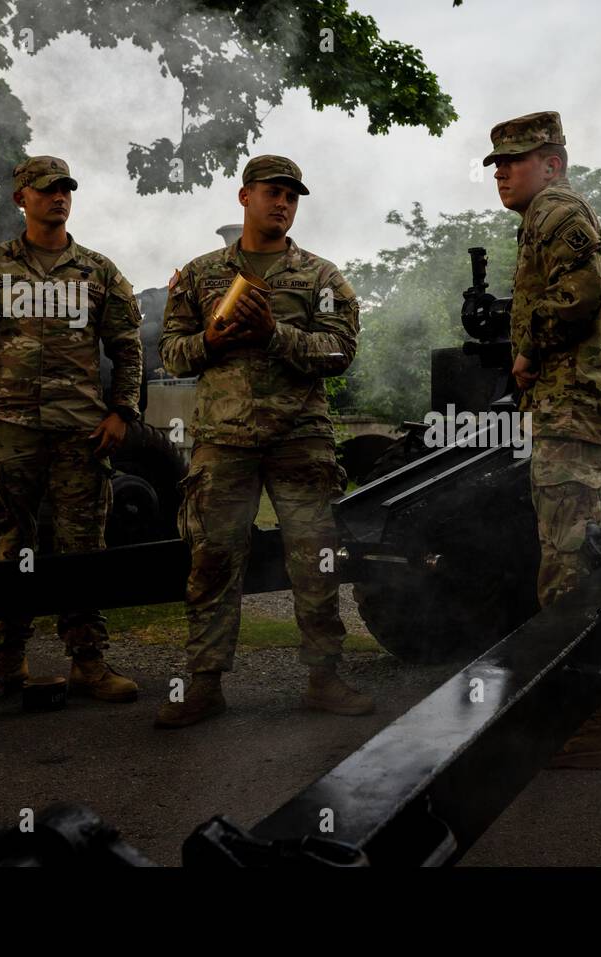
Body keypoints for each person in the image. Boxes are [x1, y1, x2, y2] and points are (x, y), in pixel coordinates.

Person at [156, 154, 368, 728]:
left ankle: (324, 678)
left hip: (300, 439)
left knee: (315, 560)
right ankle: (204, 684)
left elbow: (339, 353)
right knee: (213, 559)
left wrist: (275, 334)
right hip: (222, 439)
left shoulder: (322, 277)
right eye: (272, 192)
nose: (283, 203)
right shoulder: (201, 275)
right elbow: (172, 353)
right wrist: (212, 338)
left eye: (292, 196)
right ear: (243, 196)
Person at [0, 155, 142, 702]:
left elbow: (127, 349)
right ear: (21, 198)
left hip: (81, 429)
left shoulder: (98, 271)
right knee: (12, 543)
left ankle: (89, 661)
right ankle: (8, 660)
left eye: (66, 189)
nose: (60, 197)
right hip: (8, 430)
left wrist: (122, 411)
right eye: (48, 189)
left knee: (82, 545)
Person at [486, 111, 601, 768]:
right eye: (496, 163)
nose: (501, 172)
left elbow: (581, 294)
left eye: (514, 160)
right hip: (597, 418)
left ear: (552, 163)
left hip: (574, 417)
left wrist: (527, 349)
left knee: (566, 572)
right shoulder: (550, 217)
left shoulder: (556, 210)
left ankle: (576, 728)